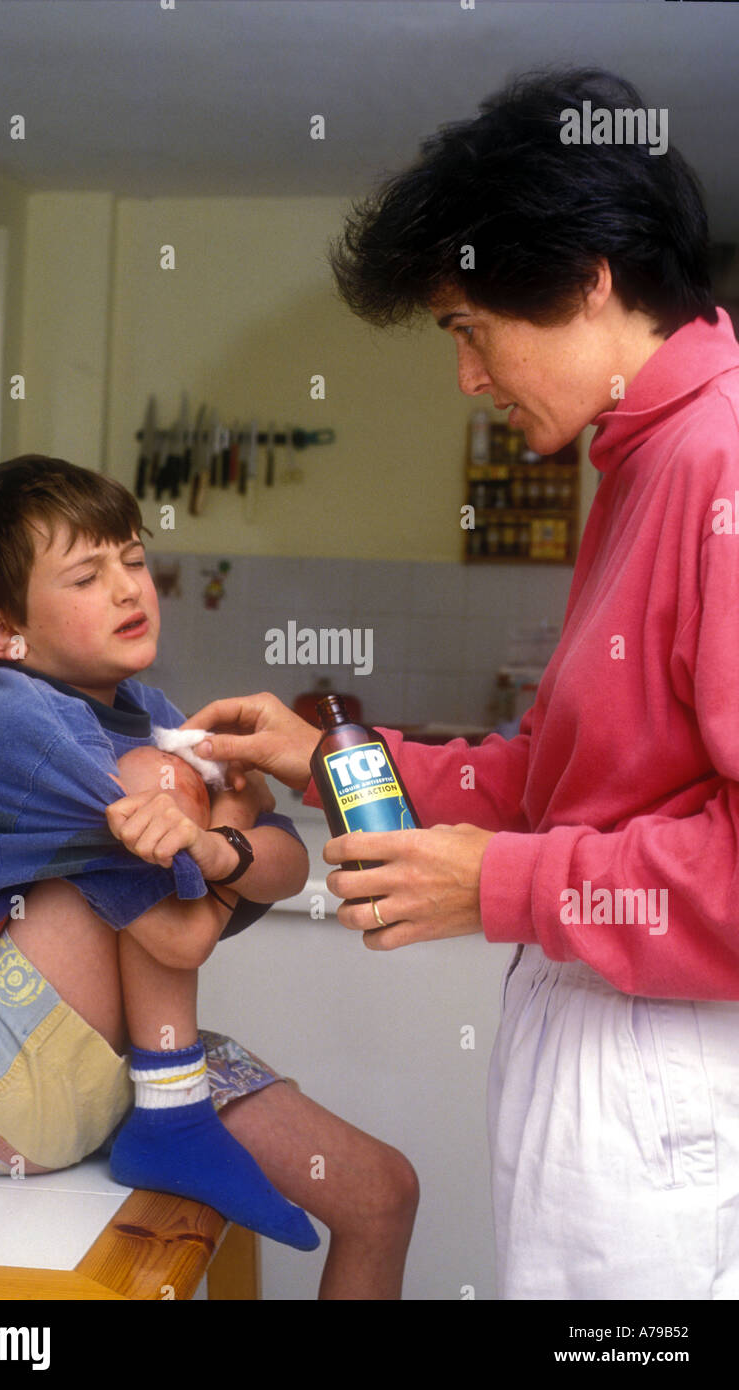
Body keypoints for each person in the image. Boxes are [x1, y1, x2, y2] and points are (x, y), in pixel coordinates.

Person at [185, 66, 739, 1300]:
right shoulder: (641, 456)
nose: (468, 378)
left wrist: (504, 883)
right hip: (610, 1025)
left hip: (679, 1053)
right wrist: (329, 756)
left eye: (467, 328)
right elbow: (554, 776)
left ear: (590, 275)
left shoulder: (722, 459)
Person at [0, 454, 418, 1300]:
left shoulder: (147, 714)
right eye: (88, 574)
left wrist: (222, 847)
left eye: (135, 559)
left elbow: (286, 864)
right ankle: (173, 1120)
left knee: (381, 1192)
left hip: (100, 1070)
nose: (130, 587)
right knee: (163, 781)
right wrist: (225, 823)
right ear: (4, 636)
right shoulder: (13, 718)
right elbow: (183, 934)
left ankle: (168, 1110)